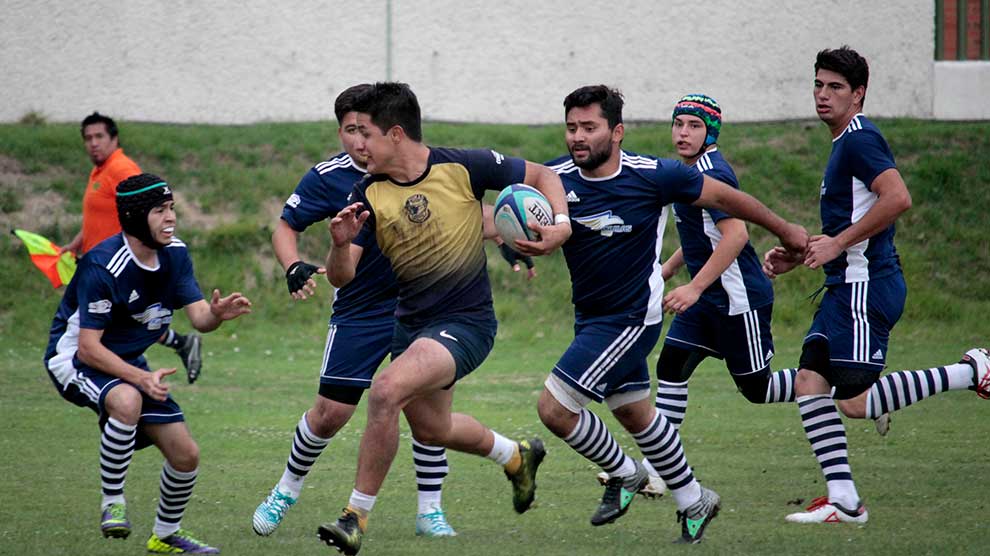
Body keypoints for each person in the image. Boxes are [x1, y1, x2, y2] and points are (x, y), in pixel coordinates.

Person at [536, 85, 808, 544]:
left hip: (629, 318)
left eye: (589, 127)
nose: (578, 136)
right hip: (592, 315)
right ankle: (692, 499)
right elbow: (514, 212)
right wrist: (507, 241)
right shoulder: (556, 179)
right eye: (571, 127)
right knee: (635, 413)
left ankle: (624, 473)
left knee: (554, 409)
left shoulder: (654, 175)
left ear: (616, 132)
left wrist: (785, 230)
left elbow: (728, 205)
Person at [316, 82, 571, 555]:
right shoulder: (365, 192)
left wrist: (561, 224)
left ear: (395, 134)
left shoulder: (465, 165)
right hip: (412, 326)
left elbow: (544, 175)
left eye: (365, 135)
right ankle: (516, 455)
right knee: (433, 429)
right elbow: (342, 277)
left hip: (467, 322)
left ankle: (354, 517)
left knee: (386, 389)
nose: (357, 145)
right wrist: (337, 243)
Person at [763, 46, 990, 524]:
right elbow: (856, 219)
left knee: (855, 401)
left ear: (859, 94)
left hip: (866, 288)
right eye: (819, 85)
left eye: (836, 88)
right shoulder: (842, 142)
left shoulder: (860, 139)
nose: (823, 95)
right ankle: (843, 500)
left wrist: (837, 243)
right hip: (844, 287)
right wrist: (804, 254)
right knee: (809, 382)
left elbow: (898, 198)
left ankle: (973, 372)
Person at [253, 84, 460, 539]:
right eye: (349, 130)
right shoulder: (328, 177)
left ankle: (431, 510)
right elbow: (285, 227)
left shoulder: (417, 168)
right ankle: (285, 489)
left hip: (422, 304)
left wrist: (504, 239)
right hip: (360, 311)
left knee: (423, 412)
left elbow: (460, 214)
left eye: (365, 129)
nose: (357, 140)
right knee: (330, 413)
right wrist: (292, 264)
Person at [598, 94, 801, 493]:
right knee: (671, 368)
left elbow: (735, 235)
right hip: (707, 299)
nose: (683, 133)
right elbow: (698, 235)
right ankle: (658, 470)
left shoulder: (713, 172)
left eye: (694, 125)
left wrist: (693, 286)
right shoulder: (686, 171)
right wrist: (668, 270)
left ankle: (827, 384)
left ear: (711, 132)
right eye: (679, 124)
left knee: (757, 389)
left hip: (738, 300)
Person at [44, 173, 252, 553]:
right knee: (127, 400)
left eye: (171, 208)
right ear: (137, 218)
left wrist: (218, 315)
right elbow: (89, 349)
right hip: (74, 358)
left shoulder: (175, 254)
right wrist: (140, 378)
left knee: (186, 454)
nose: (171, 218)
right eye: (160, 210)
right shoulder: (103, 266)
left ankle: (166, 535)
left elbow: (200, 319)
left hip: (124, 360)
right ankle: (113, 504)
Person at [62, 112, 203, 383]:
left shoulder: (121, 169)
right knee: (115, 321)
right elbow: (97, 215)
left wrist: (133, 252)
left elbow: (144, 209)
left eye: (99, 136)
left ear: (115, 139)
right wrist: (76, 244)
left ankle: (139, 371)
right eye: (87, 138)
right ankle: (177, 347)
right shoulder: (99, 171)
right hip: (99, 262)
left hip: (125, 263)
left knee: (119, 321)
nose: (93, 143)